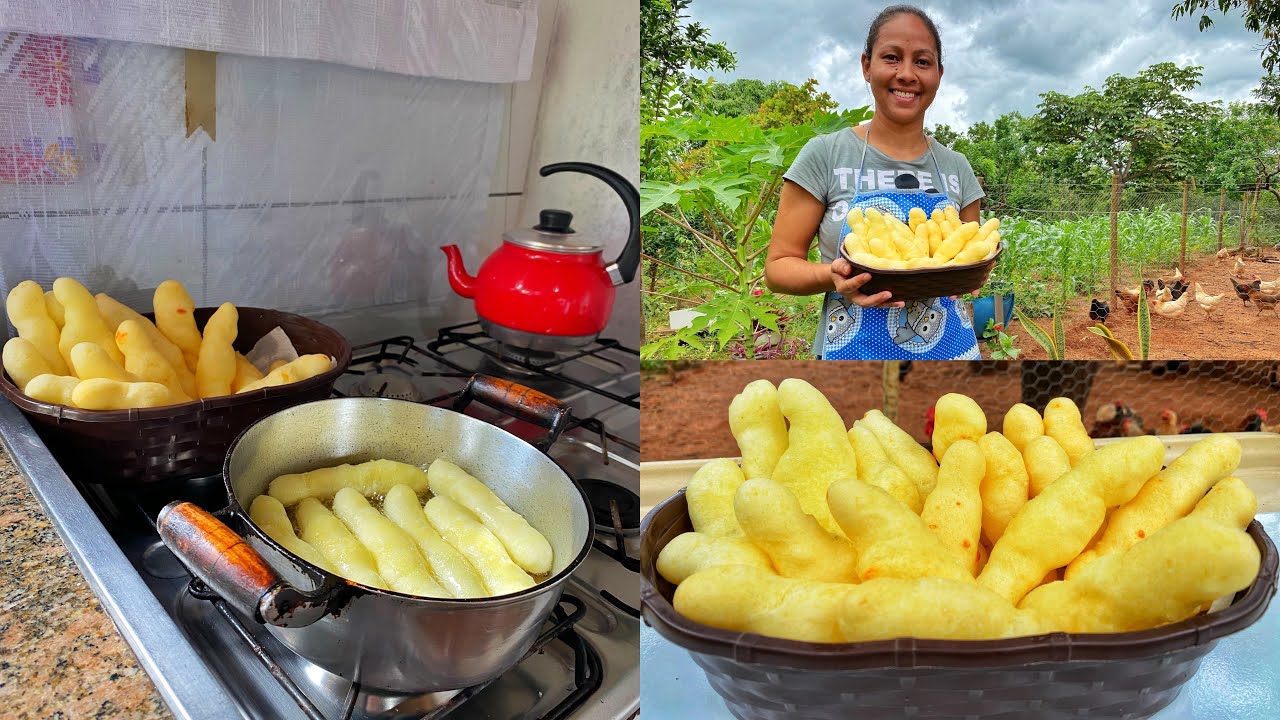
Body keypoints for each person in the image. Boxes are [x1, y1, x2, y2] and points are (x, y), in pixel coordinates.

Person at [765, 5, 987, 359]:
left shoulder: (957, 167)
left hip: (952, 353)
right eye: (891, 57)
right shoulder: (825, 154)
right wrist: (832, 275)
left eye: (923, 62)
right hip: (852, 356)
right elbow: (778, 268)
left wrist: (974, 277)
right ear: (866, 66)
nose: (907, 74)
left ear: (939, 74)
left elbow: (973, 260)